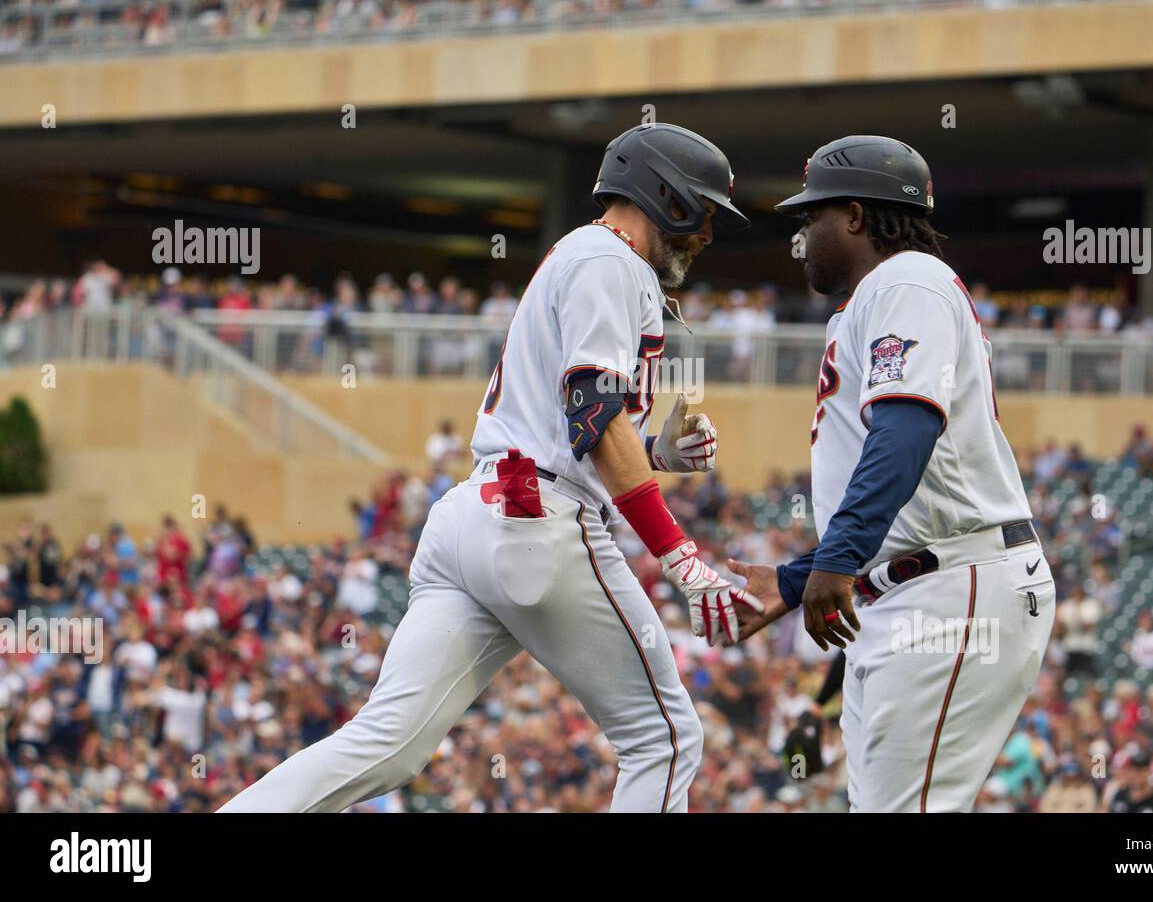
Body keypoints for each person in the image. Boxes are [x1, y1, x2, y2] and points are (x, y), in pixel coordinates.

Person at [219, 123, 755, 813]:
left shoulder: (584, 255)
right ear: (667, 196)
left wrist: (656, 454)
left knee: (387, 743)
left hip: (477, 514)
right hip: (537, 519)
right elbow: (593, 412)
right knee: (666, 736)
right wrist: (679, 555)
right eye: (704, 211)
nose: (707, 232)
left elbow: (572, 423)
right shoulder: (612, 262)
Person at [730, 135, 1055, 812]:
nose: (802, 234)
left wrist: (835, 560)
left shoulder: (906, 279)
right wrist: (797, 581)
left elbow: (906, 432)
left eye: (809, 217)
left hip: (949, 583)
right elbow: (899, 486)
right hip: (916, 583)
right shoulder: (881, 295)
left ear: (853, 214)